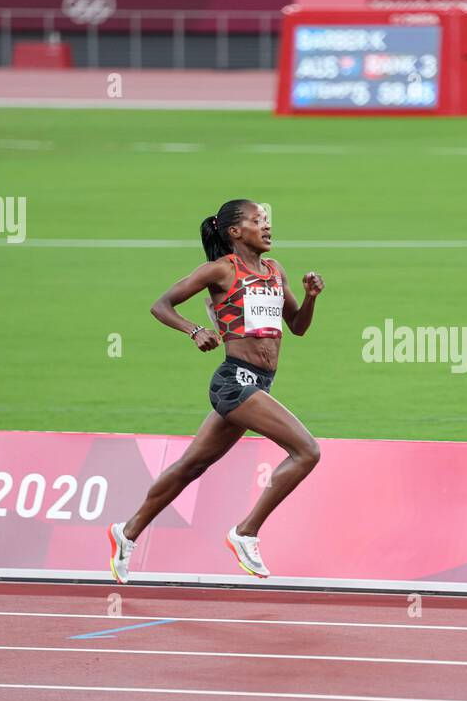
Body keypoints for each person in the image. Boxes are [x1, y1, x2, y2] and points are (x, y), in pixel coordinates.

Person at [107, 199, 324, 581]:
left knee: (192, 465)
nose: (268, 227)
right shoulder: (221, 270)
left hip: (260, 383)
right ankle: (245, 533)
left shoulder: (275, 271)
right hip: (234, 381)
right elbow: (162, 305)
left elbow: (299, 327)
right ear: (236, 232)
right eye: (259, 221)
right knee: (306, 451)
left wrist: (310, 298)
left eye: (268, 221)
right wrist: (194, 330)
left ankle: (126, 533)